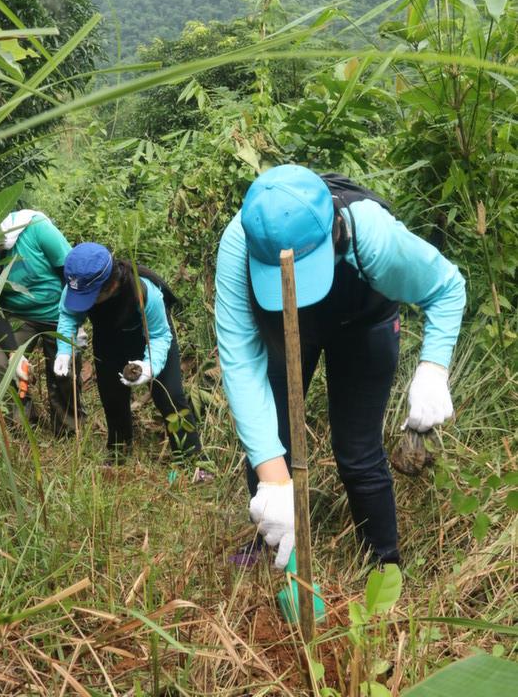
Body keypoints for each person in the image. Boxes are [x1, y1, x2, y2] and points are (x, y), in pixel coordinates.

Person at [215, 164, 466, 568]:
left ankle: (384, 565)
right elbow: (241, 361)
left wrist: (433, 368)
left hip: (364, 322)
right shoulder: (238, 245)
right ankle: (274, 542)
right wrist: (275, 481)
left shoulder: (373, 236)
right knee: (268, 439)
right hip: (287, 326)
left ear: (333, 232)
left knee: (358, 450)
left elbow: (447, 288)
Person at [54, 243, 208, 471]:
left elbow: (159, 336)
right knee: (112, 397)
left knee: (170, 397)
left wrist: (148, 367)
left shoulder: (143, 292)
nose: (84, 301)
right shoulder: (79, 284)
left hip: (152, 339)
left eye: (90, 297)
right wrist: (64, 349)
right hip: (109, 341)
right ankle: (119, 453)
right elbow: (68, 314)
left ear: (111, 285)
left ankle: (192, 461)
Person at [0, 195, 85, 435]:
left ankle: (68, 427)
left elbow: (72, 273)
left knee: (64, 366)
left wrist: (73, 320)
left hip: (58, 311)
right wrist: (15, 353)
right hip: (15, 315)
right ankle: (21, 421)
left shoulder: (37, 229)